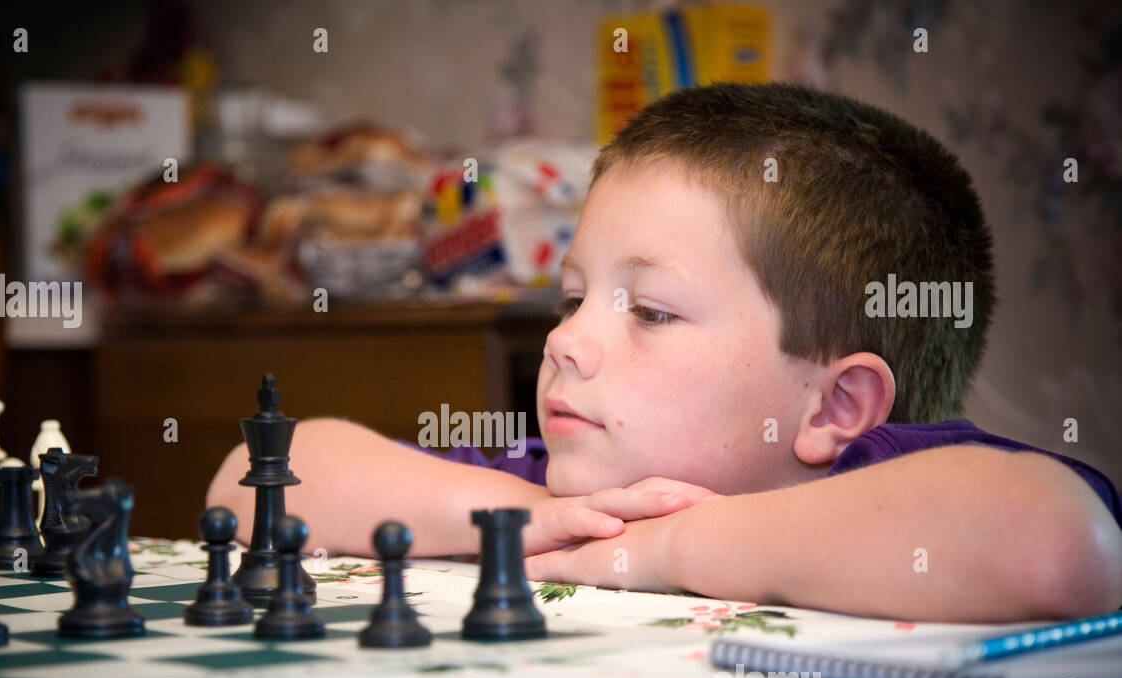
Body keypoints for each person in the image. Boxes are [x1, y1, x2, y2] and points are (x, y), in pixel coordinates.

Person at [208, 83, 1122, 623]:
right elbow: (255, 475)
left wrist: (663, 549)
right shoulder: (564, 487)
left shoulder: (899, 480)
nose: (566, 340)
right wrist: (521, 518)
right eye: (572, 298)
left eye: (648, 309)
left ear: (835, 409)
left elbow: (1060, 546)